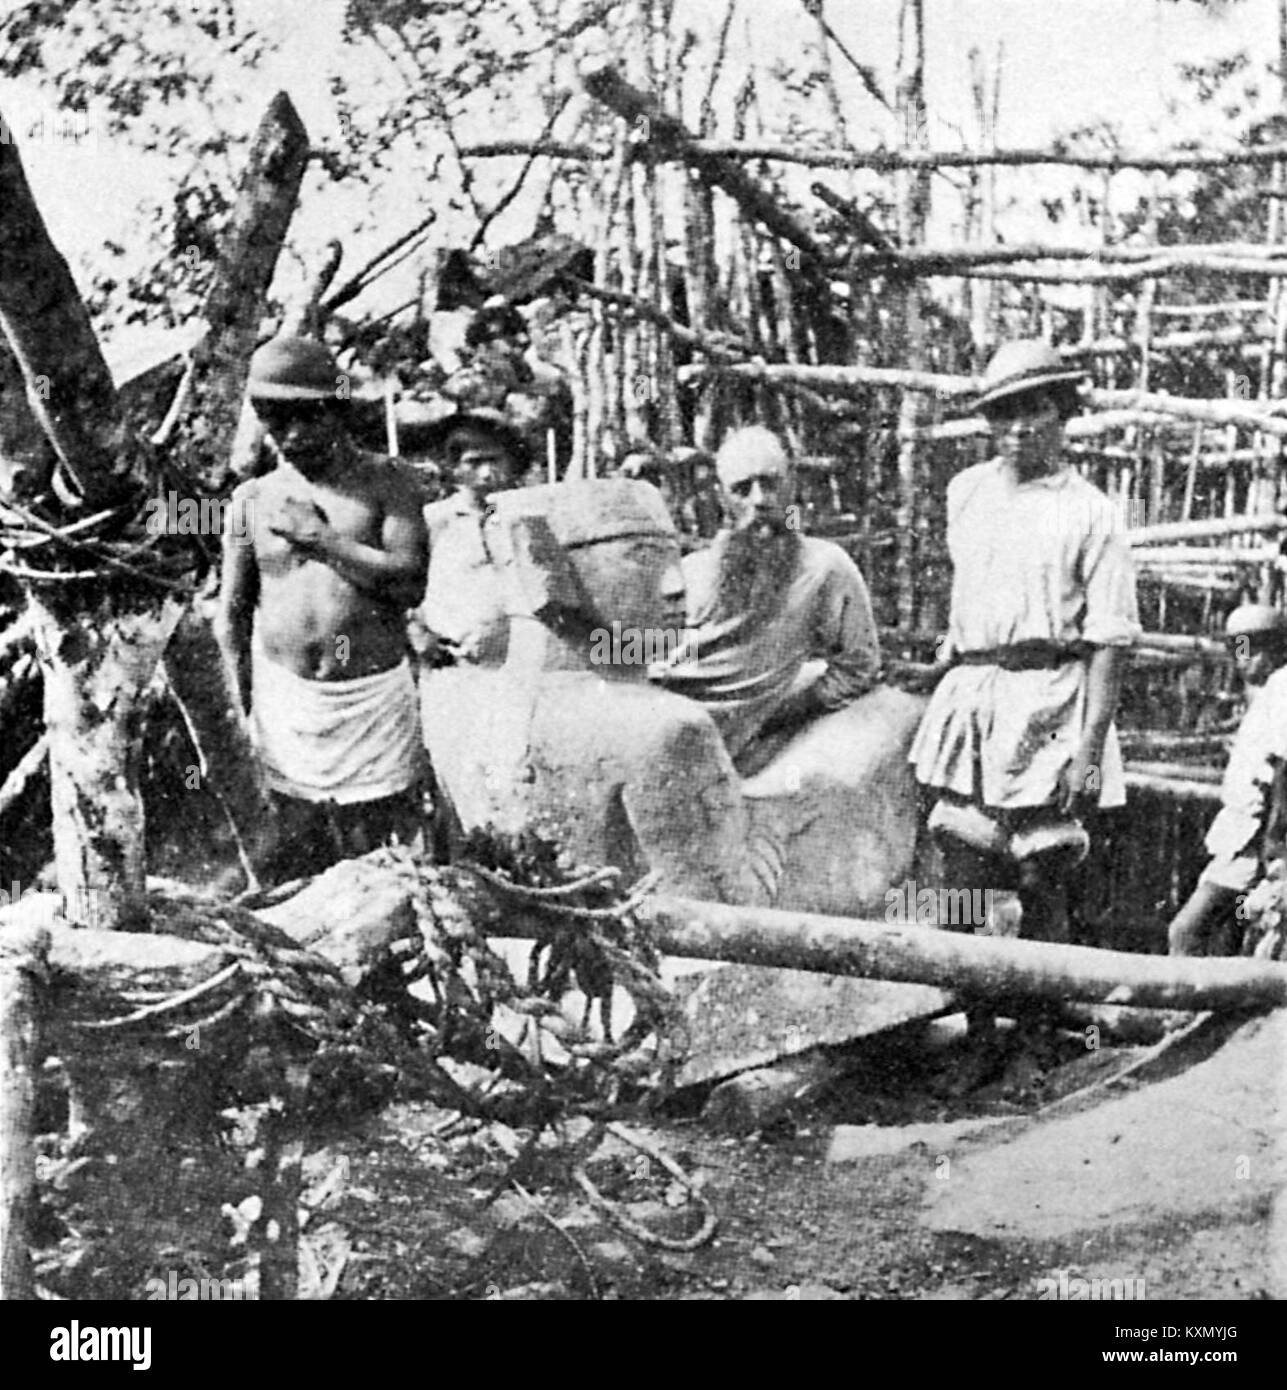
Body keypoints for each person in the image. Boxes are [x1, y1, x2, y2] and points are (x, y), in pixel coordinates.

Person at [908, 338, 1140, 1077]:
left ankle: (1035, 1041)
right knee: (958, 880)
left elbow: (1109, 641)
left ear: (1061, 413)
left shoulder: (1090, 513)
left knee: (1043, 878)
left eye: (1032, 410)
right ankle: (978, 1031)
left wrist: (1087, 744)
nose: (1017, 428)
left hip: (1050, 701)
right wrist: (948, 661)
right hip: (975, 698)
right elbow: (971, 594)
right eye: (1003, 413)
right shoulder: (966, 493)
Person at [215, 335, 429, 883]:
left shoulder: (388, 483)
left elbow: (409, 582)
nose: (291, 437)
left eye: (306, 419)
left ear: (336, 411)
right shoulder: (253, 501)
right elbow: (233, 618)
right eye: (275, 421)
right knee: (296, 859)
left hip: (371, 705)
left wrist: (321, 541)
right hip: (287, 707)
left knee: (383, 861)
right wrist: (237, 710)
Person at [657, 425, 882, 774]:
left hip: (731, 741)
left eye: (771, 483)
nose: (760, 500)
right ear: (721, 498)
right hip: (663, 721)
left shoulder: (824, 567)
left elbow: (860, 664)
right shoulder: (692, 570)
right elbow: (648, 649)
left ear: (791, 486)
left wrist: (781, 712)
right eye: (742, 489)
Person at [1168, 603, 1287, 957]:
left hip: (1253, 842)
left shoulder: (1282, 689)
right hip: (1242, 836)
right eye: (1236, 651)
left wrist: (1275, 847)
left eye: (1247, 651)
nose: (1241, 661)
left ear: (1272, 649)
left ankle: (1180, 1008)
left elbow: (1283, 770)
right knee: (1231, 929)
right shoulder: (1269, 693)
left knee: (1187, 931)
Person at [409, 408, 530, 670]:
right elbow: (404, 586)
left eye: (494, 460)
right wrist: (417, 632)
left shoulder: (525, 517)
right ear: (453, 468)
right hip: (451, 662)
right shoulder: (435, 519)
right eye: (474, 462)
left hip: (518, 662)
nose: (486, 473)